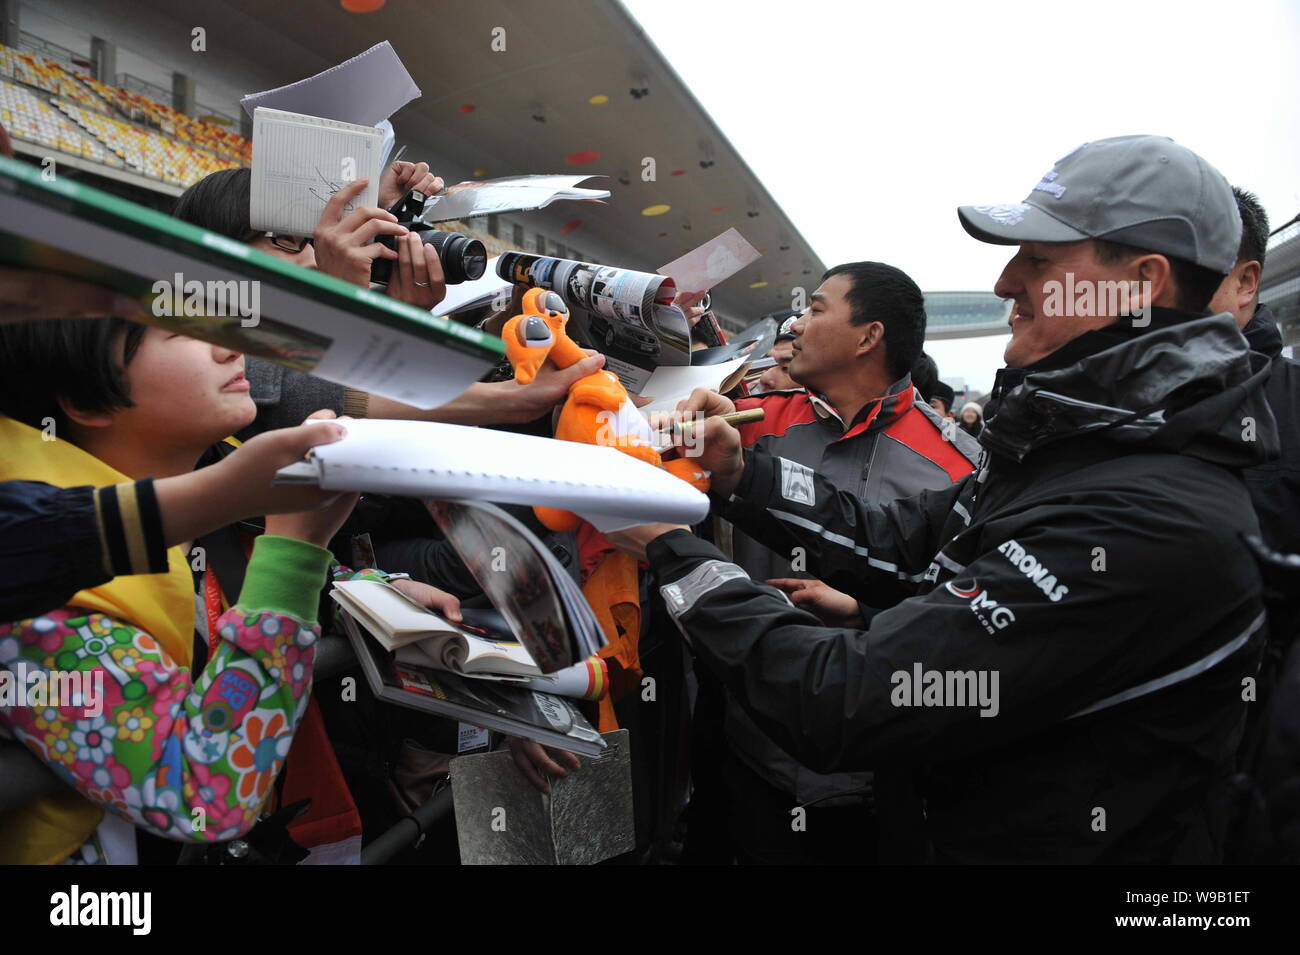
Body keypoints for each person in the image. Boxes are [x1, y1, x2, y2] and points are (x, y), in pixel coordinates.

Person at [609, 135, 1276, 863]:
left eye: (1039, 258)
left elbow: (847, 699)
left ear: (1139, 282)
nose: (1004, 283)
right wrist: (743, 476)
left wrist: (671, 548)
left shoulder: (1148, 515)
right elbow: (900, 537)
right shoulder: (1075, 446)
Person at [0, 315, 459, 863]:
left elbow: (225, 582)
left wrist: (367, 596)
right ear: (85, 399)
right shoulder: (43, 596)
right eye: (180, 334)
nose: (231, 347)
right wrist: (295, 547)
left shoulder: (207, 477)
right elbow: (202, 794)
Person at [665, 262, 979, 864]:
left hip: (876, 775)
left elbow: (963, 611)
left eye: (815, 310)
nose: (796, 324)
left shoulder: (954, 466)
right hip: (739, 741)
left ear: (868, 338)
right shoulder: (744, 423)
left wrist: (866, 610)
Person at [170, 168, 604, 434]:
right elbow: (300, 391)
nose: (317, 254)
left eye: (317, 236)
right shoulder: (196, 337)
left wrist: (408, 315)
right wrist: (342, 303)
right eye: (289, 239)